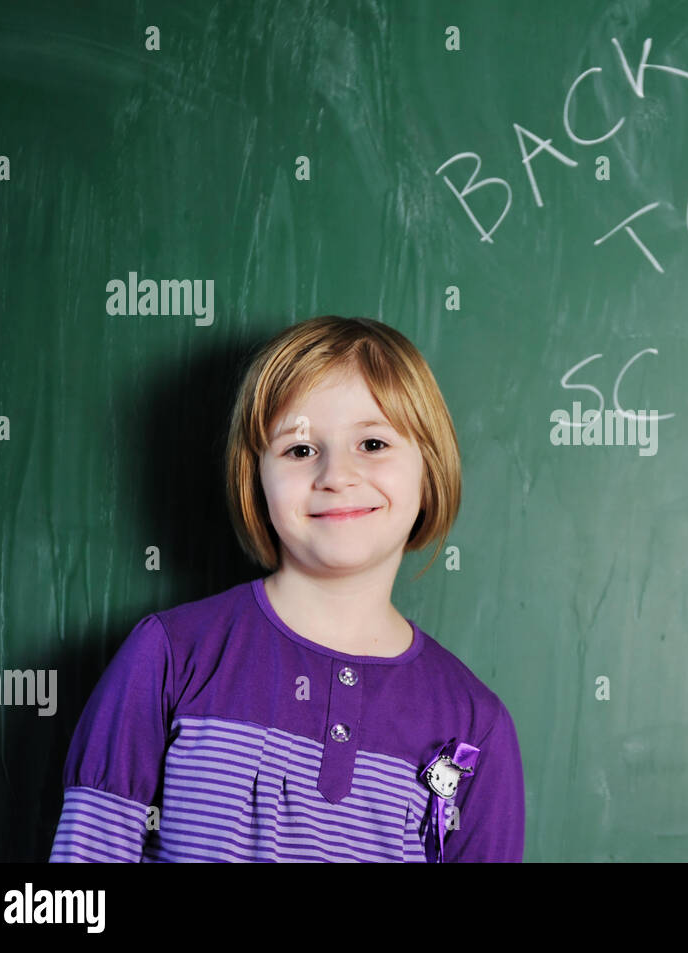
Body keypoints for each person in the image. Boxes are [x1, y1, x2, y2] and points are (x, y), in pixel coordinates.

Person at [48, 316, 524, 862]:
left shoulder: (475, 724)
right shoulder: (170, 656)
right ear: (256, 478)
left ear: (430, 472)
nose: (336, 475)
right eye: (299, 450)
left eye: (372, 443)